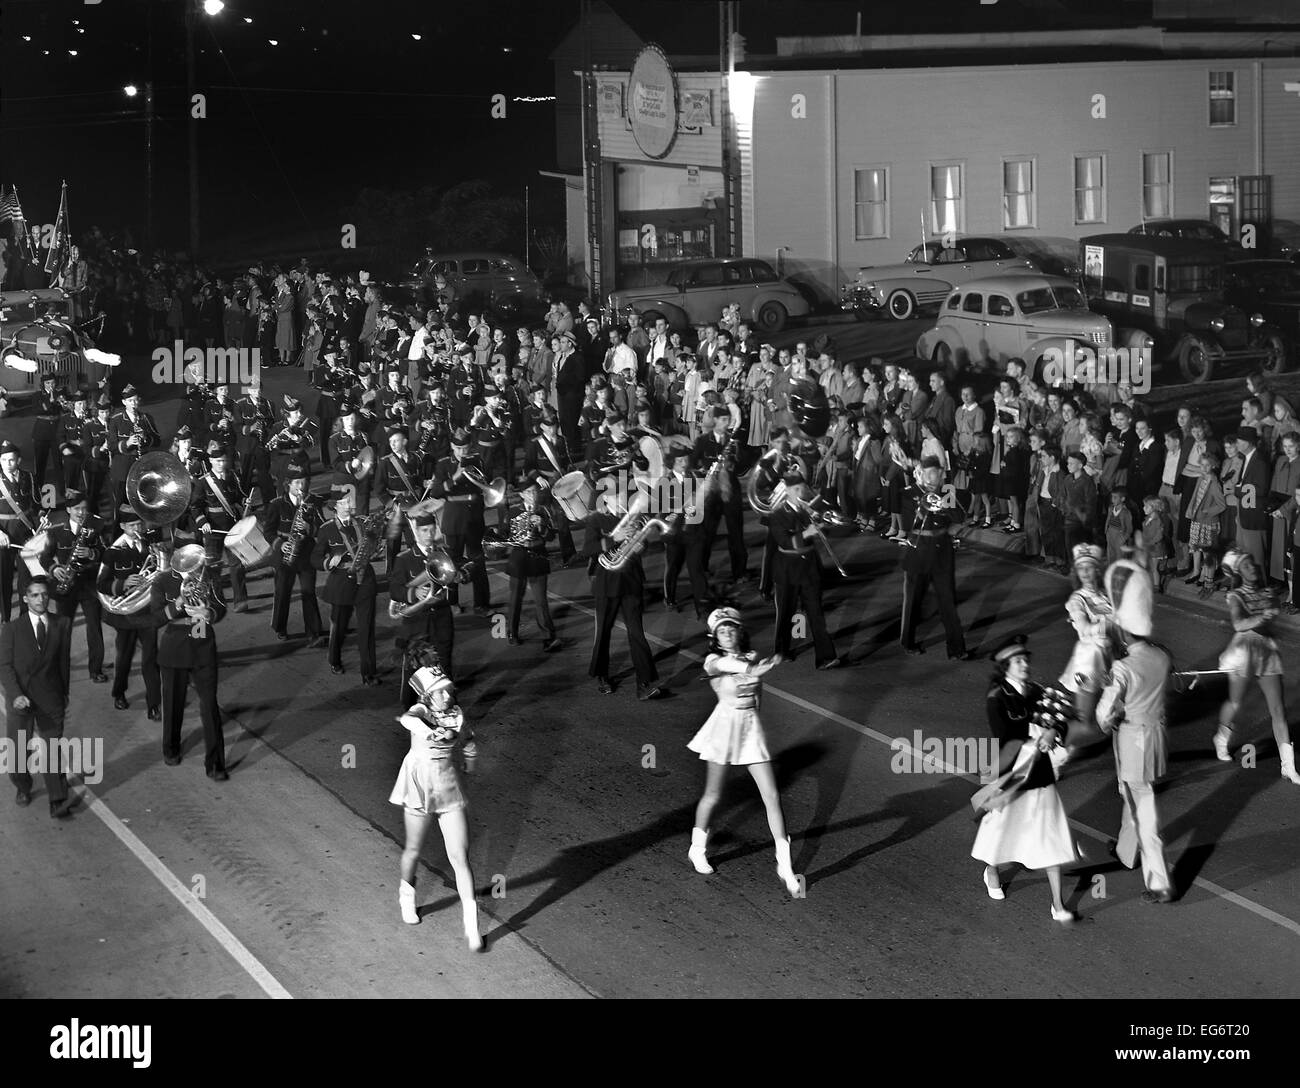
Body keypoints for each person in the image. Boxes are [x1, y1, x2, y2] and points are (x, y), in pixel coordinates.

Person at [685, 608, 802, 897]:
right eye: (721, 631)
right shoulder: (713, 661)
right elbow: (723, 667)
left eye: (731, 629)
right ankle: (697, 848)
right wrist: (753, 669)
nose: (726, 634)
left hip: (749, 731)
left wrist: (757, 729)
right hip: (723, 730)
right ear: (715, 638)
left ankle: (785, 865)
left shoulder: (751, 657)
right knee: (713, 795)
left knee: (772, 796)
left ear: (739, 632)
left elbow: (757, 695)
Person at [971, 634, 1078, 922]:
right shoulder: (997, 698)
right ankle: (991, 869)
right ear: (1005, 666)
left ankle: (1058, 904)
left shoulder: (1037, 691)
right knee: (1001, 831)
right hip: (1014, 775)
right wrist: (1036, 733)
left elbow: (1061, 721)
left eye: (1025, 660)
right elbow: (1004, 738)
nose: (1024, 665)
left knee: (1050, 836)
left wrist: (1054, 732)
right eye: (1017, 661)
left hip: (1041, 775)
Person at [1096, 558, 1175, 903]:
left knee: (1143, 809)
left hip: (1134, 740)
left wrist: (1110, 715)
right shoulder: (1161, 657)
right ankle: (1128, 853)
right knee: (1132, 796)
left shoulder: (1123, 667)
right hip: (1157, 737)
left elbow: (1103, 715)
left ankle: (1159, 883)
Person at [388, 660, 482, 950]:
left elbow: (469, 740)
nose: (446, 696)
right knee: (413, 849)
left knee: (460, 855)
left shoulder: (455, 714)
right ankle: (407, 895)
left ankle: (472, 925)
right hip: (418, 784)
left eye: (447, 691)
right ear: (426, 696)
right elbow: (407, 720)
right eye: (439, 693)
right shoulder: (421, 712)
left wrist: (469, 762)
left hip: (446, 786)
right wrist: (432, 732)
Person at [1212, 550, 1300, 783]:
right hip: (1244, 652)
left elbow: (1271, 620)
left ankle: (1288, 767)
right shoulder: (1235, 595)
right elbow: (1239, 623)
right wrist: (1262, 618)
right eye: (1246, 566)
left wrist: (1270, 616)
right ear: (1239, 572)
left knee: (1278, 710)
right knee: (1235, 702)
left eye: (1253, 564)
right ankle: (1221, 737)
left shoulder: (1268, 592)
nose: (1253, 567)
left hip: (1266, 653)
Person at [150, 546, 229, 779]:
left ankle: (215, 764)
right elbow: (155, 618)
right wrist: (177, 604)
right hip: (174, 645)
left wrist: (209, 614)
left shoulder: (209, 576)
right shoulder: (163, 580)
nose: (194, 567)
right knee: (173, 704)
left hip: (201, 638)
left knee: (209, 706)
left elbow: (221, 607)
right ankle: (171, 749)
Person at [0, 577, 75, 818]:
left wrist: (64, 693)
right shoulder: (12, 629)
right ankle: (23, 786)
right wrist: (15, 696)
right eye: (34, 595)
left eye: (44, 594)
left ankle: (57, 799)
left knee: (52, 748)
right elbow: (4, 666)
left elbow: (63, 662)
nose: (40, 599)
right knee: (18, 752)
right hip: (21, 700)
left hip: (50, 697)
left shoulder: (62, 623)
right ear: (25, 598)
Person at [583, 485, 662, 699]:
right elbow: (587, 549)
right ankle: (602, 675)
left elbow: (642, 544)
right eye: (615, 496)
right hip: (606, 582)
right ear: (605, 499)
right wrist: (613, 539)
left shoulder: (635, 518)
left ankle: (644, 682)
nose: (620, 499)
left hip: (631, 581)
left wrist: (640, 547)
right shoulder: (596, 520)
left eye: (622, 495)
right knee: (603, 632)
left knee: (637, 632)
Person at [899, 459, 973, 660]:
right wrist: (924, 505)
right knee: (913, 600)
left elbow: (959, 517)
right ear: (921, 473)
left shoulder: (946, 491)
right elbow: (907, 525)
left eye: (938, 474)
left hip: (942, 550)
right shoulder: (910, 492)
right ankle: (908, 641)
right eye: (931, 474)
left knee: (947, 600)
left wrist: (949, 514)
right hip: (919, 550)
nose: (935, 479)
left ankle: (957, 648)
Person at [96, 506, 162, 717]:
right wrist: (122, 583)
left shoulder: (149, 544)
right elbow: (101, 583)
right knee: (124, 657)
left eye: (139, 524)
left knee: (150, 659)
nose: (137, 528)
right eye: (132, 525)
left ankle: (154, 703)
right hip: (125, 615)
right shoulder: (113, 551)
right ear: (123, 526)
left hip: (147, 611)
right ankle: (119, 693)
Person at [767, 481, 841, 669]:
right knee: (786, 613)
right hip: (788, 569)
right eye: (796, 489)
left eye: (802, 488)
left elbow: (826, 530)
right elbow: (783, 541)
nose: (802, 493)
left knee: (816, 613)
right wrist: (806, 533)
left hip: (809, 568)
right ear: (787, 492)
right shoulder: (777, 514)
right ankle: (782, 651)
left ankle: (826, 657)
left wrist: (823, 522)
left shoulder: (809, 509)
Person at [311, 489, 381, 686]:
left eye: (350, 501)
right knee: (339, 626)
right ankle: (334, 658)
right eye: (345, 502)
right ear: (335, 506)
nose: (350, 505)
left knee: (366, 628)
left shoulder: (361, 522)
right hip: (342, 581)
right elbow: (315, 558)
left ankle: (368, 672)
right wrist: (328, 562)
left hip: (365, 579)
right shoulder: (326, 529)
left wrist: (375, 549)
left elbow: (371, 545)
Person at [388, 514, 461, 692]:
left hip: (442, 616)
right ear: (416, 532)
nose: (429, 534)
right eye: (424, 530)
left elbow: (457, 572)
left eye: (432, 530)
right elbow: (395, 591)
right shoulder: (404, 558)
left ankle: (446, 702)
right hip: (417, 620)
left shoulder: (443, 553)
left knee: (444, 660)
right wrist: (413, 593)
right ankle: (413, 707)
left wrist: (462, 574)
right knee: (416, 667)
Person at [42, 491, 108, 684]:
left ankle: (96, 669)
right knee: (64, 629)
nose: (81, 512)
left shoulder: (95, 528)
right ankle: (61, 669)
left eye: (84, 509)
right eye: (77, 509)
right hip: (66, 587)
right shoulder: (56, 531)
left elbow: (105, 553)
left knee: (94, 627)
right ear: (68, 509)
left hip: (88, 584)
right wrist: (54, 569)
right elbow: (44, 557)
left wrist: (92, 553)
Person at [261, 461, 326, 644]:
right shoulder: (276, 504)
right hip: (285, 554)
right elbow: (268, 531)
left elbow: (322, 528)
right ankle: (280, 627)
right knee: (282, 592)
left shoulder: (313, 501)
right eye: (297, 483)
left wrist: (310, 527)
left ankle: (313, 632)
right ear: (288, 484)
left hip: (306, 554)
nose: (301, 486)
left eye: (304, 482)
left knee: (308, 592)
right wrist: (280, 544)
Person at [1057, 544, 1112, 732]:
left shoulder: (1106, 596)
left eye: (1088, 567)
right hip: (1090, 659)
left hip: (1112, 655)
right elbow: (1084, 627)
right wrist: (1114, 622)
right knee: (1084, 719)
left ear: (1097, 570)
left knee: (1116, 709)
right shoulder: (1076, 599)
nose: (1085, 572)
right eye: (1080, 568)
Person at [502, 476, 560, 650]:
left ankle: (548, 636)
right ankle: (512, 632)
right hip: (519, 557)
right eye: (528, 492)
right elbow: (506, 535)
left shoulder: (544, 510)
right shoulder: (513, 512)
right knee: (515, 598)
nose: (533, 495)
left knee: (541, 600)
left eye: (535, 491)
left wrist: (542, 526)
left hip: (538, 556)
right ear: (521, 494)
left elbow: (551, 537)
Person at [0, 440, 40, 621]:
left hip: (25, 534)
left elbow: (39, 504)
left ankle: (25, 617)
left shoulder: (29, 477)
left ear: (19, 460)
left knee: (26, 578)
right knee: (4, 579)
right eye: (3, 460)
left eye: (11, 460)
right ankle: (5, 618)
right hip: (4, 535)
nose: (7, 464)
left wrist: (42, 518)